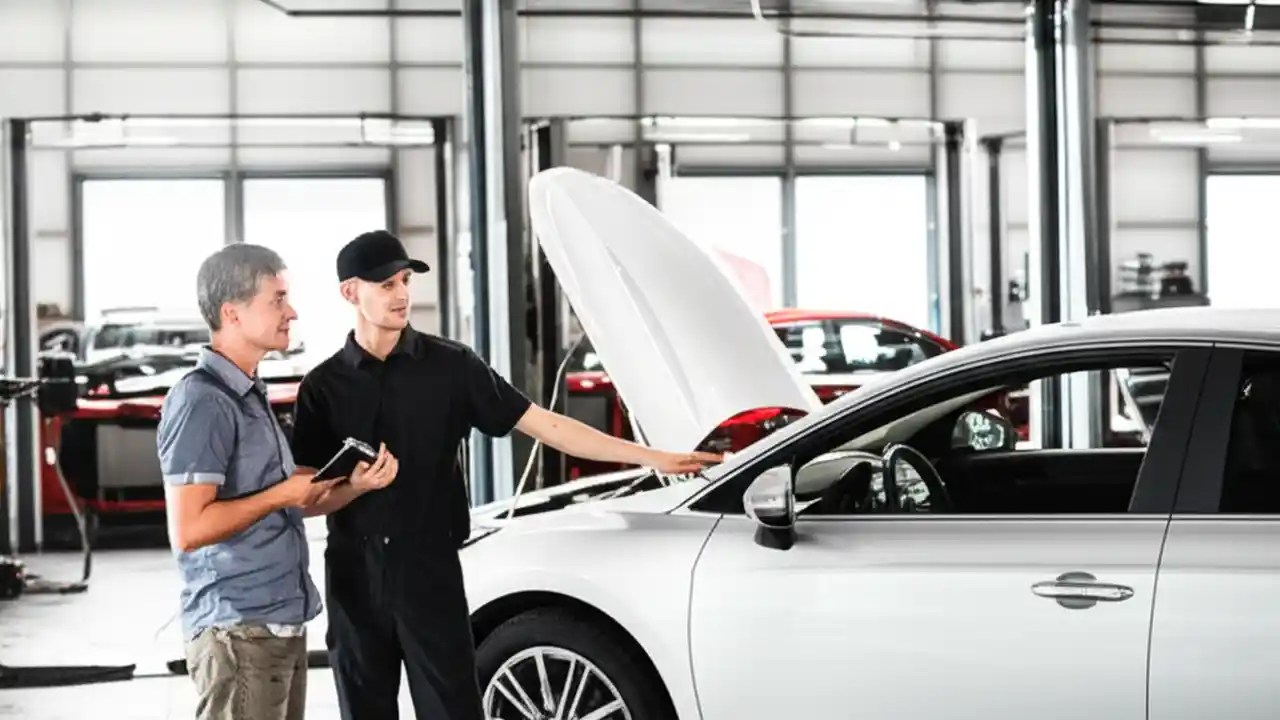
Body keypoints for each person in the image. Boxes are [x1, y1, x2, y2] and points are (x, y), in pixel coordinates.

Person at [290, 229, 720, 720]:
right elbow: (308, 499)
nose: (403, 294)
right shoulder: (322, 387)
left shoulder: (451, 367)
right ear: (351, 292)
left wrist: (652, 457)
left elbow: (546, 424)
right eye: (386, 285)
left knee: (453, 710)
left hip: (429, 572)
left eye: (406, 280)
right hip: (354, 578)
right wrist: (355, 486)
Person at [158, 244, 399, 720]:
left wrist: (354, 486)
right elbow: (188, 530)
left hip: (276, 622)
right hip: (236, 629)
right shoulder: (202, 402)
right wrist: (283, 492)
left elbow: (289, 503)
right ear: (232, 313)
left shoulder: (249, 395)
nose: (292, 312)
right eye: (277, 299)